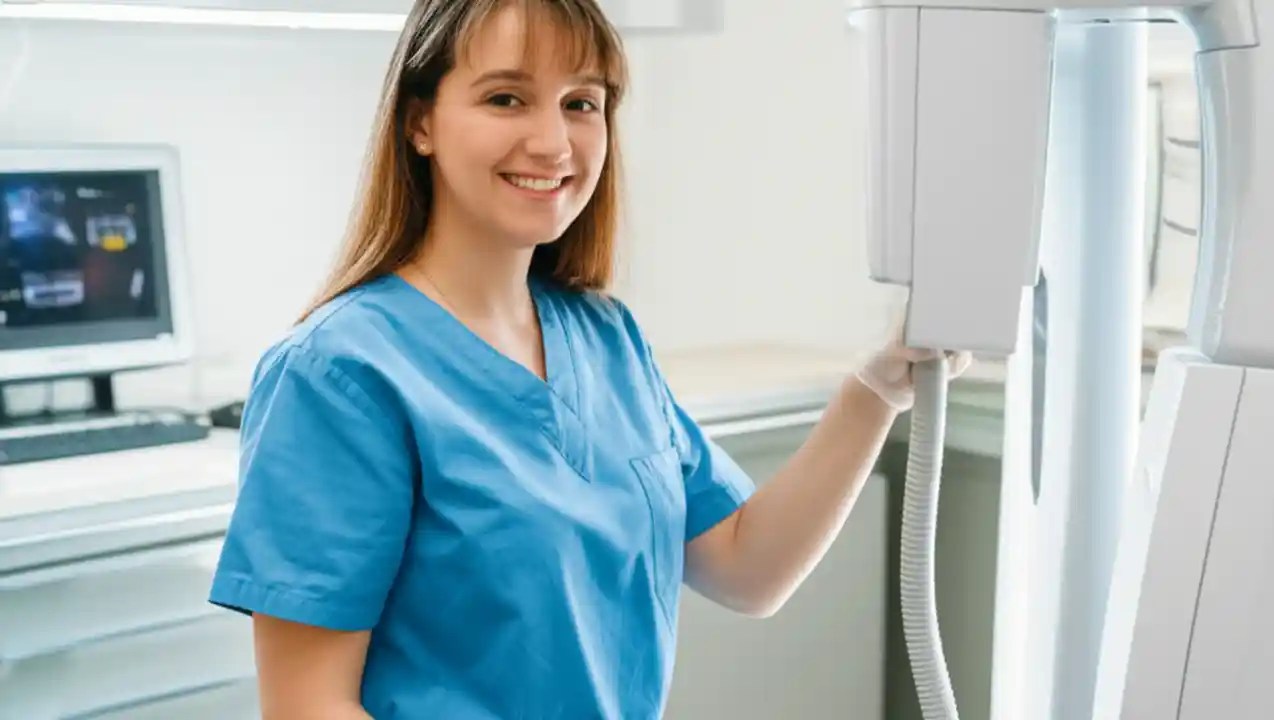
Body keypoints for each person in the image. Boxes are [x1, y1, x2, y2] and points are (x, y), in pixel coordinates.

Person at [207, 0, 971, 718]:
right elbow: (309, 706)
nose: (553, 141)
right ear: (420, 123)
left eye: (582, 102)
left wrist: (874, 392)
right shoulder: (341, 374)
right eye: (506, 98)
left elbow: (748, 569)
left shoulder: (608, 339)